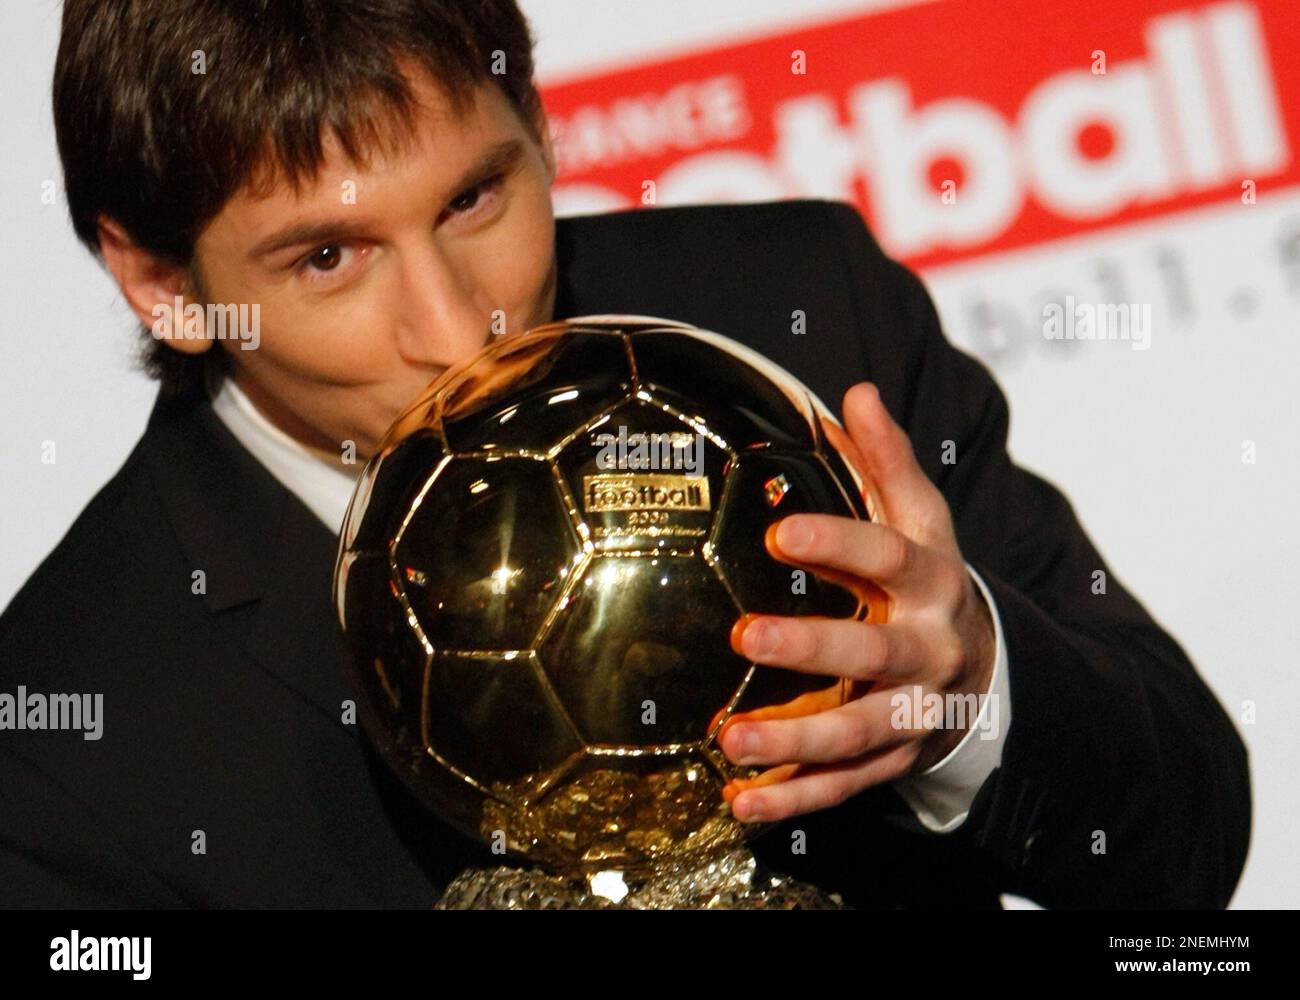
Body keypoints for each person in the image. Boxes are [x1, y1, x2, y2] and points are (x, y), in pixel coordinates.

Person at [0, 0, 1250, 908]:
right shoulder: (71, 748)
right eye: (327, 258)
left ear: (538, 123)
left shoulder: (806, 320)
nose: (458, 327)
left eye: (474, 201)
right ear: (163, 283)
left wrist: (971, 690)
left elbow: (1191, 846)